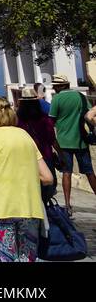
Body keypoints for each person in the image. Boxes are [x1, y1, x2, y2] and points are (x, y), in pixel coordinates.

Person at [0, 95, 54, 262]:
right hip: (29, 208)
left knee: (4, 258)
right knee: (27, 259)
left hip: (2, 208)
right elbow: (47, 177)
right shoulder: (24, 136)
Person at [49, 74, 96, 214]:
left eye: (55, 85)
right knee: (89, 172)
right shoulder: (80, 97)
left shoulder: (57, 99)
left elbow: (51, 120)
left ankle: (68, 205)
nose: (53, 87)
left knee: (66, 173)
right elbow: (88, 115)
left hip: (64, 141)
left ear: (62, 85)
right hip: (81, 140)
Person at [16, 86, 58, 202]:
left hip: (25, 159)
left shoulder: (17, 121)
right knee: (47, 189)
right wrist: (61, 154)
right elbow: (52, 139)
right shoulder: (45, 119)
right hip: (45, 157)